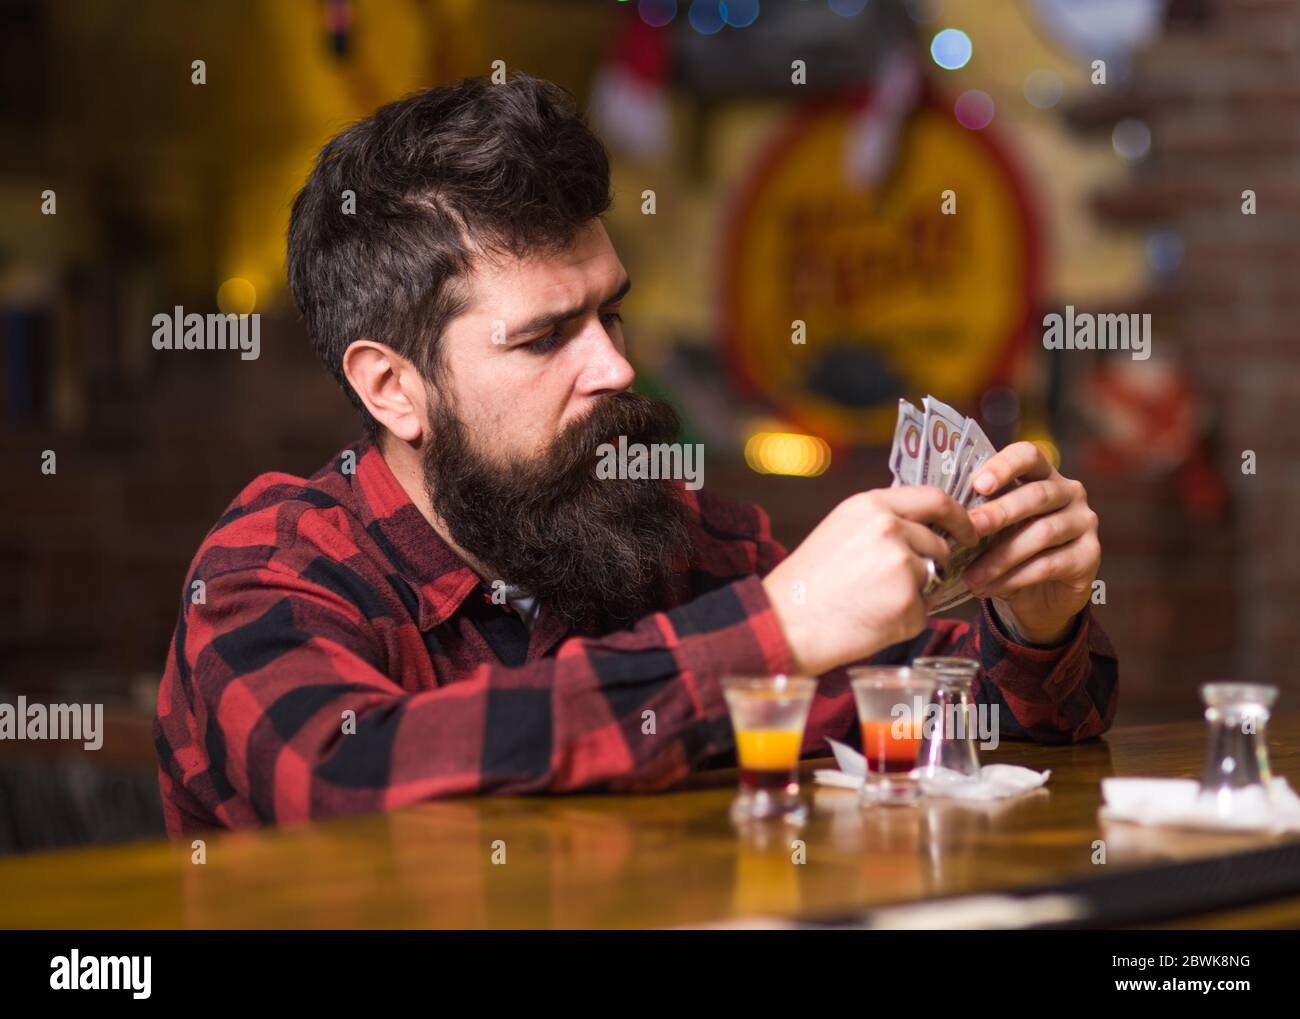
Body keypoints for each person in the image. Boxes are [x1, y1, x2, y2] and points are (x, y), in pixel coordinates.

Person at [154, 74, 1116, 836]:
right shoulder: (273, 568)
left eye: (610, 312)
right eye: (545, 338)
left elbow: (988, 724)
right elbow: (347, 784)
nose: (615, 366)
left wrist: (1035, 622)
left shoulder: (670, 537)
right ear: (391, 388)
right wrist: (775, 628)